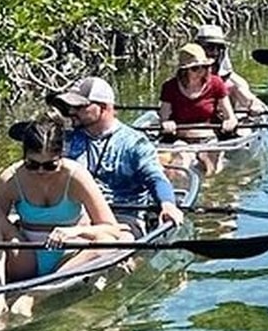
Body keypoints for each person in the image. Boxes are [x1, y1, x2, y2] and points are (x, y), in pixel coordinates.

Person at [0, 112, 129, 325]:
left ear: (61, 156)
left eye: (49, 165)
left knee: (108, 243)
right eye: (32, 164)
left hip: (68, 258)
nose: (40, 171)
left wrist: (74, 231)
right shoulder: (10, 179)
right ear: (24, 156)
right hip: (25, 257)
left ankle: (35, 294)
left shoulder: (76, 177)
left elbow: (112, 230)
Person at [50, 76, 185, 227]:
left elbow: (155, 177)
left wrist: (167, 204)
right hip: (76, 215)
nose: (71, 112)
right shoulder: (68, 138)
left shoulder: (134, 143)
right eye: (70, 107)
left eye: (79, 107)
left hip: (123, 217)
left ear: (103, 108)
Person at [158, 43, 241, 173]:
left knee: (210, 159)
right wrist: (167, 123)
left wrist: (229, 122)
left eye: (205, 67)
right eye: (195, 68)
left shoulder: (216, 83)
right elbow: (163, 117)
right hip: (181, 139)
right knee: (181, 161)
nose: (201, 71)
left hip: (208, 137)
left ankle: (212, 188)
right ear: (184, 70)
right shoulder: (170, 86)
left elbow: (230, 117)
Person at [194, 23, 268, 115]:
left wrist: (254, 105)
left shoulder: (233, 82)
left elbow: (247, 97)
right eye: (210, 47)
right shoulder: (185, 79)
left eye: (219, 48)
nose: (215, 53)